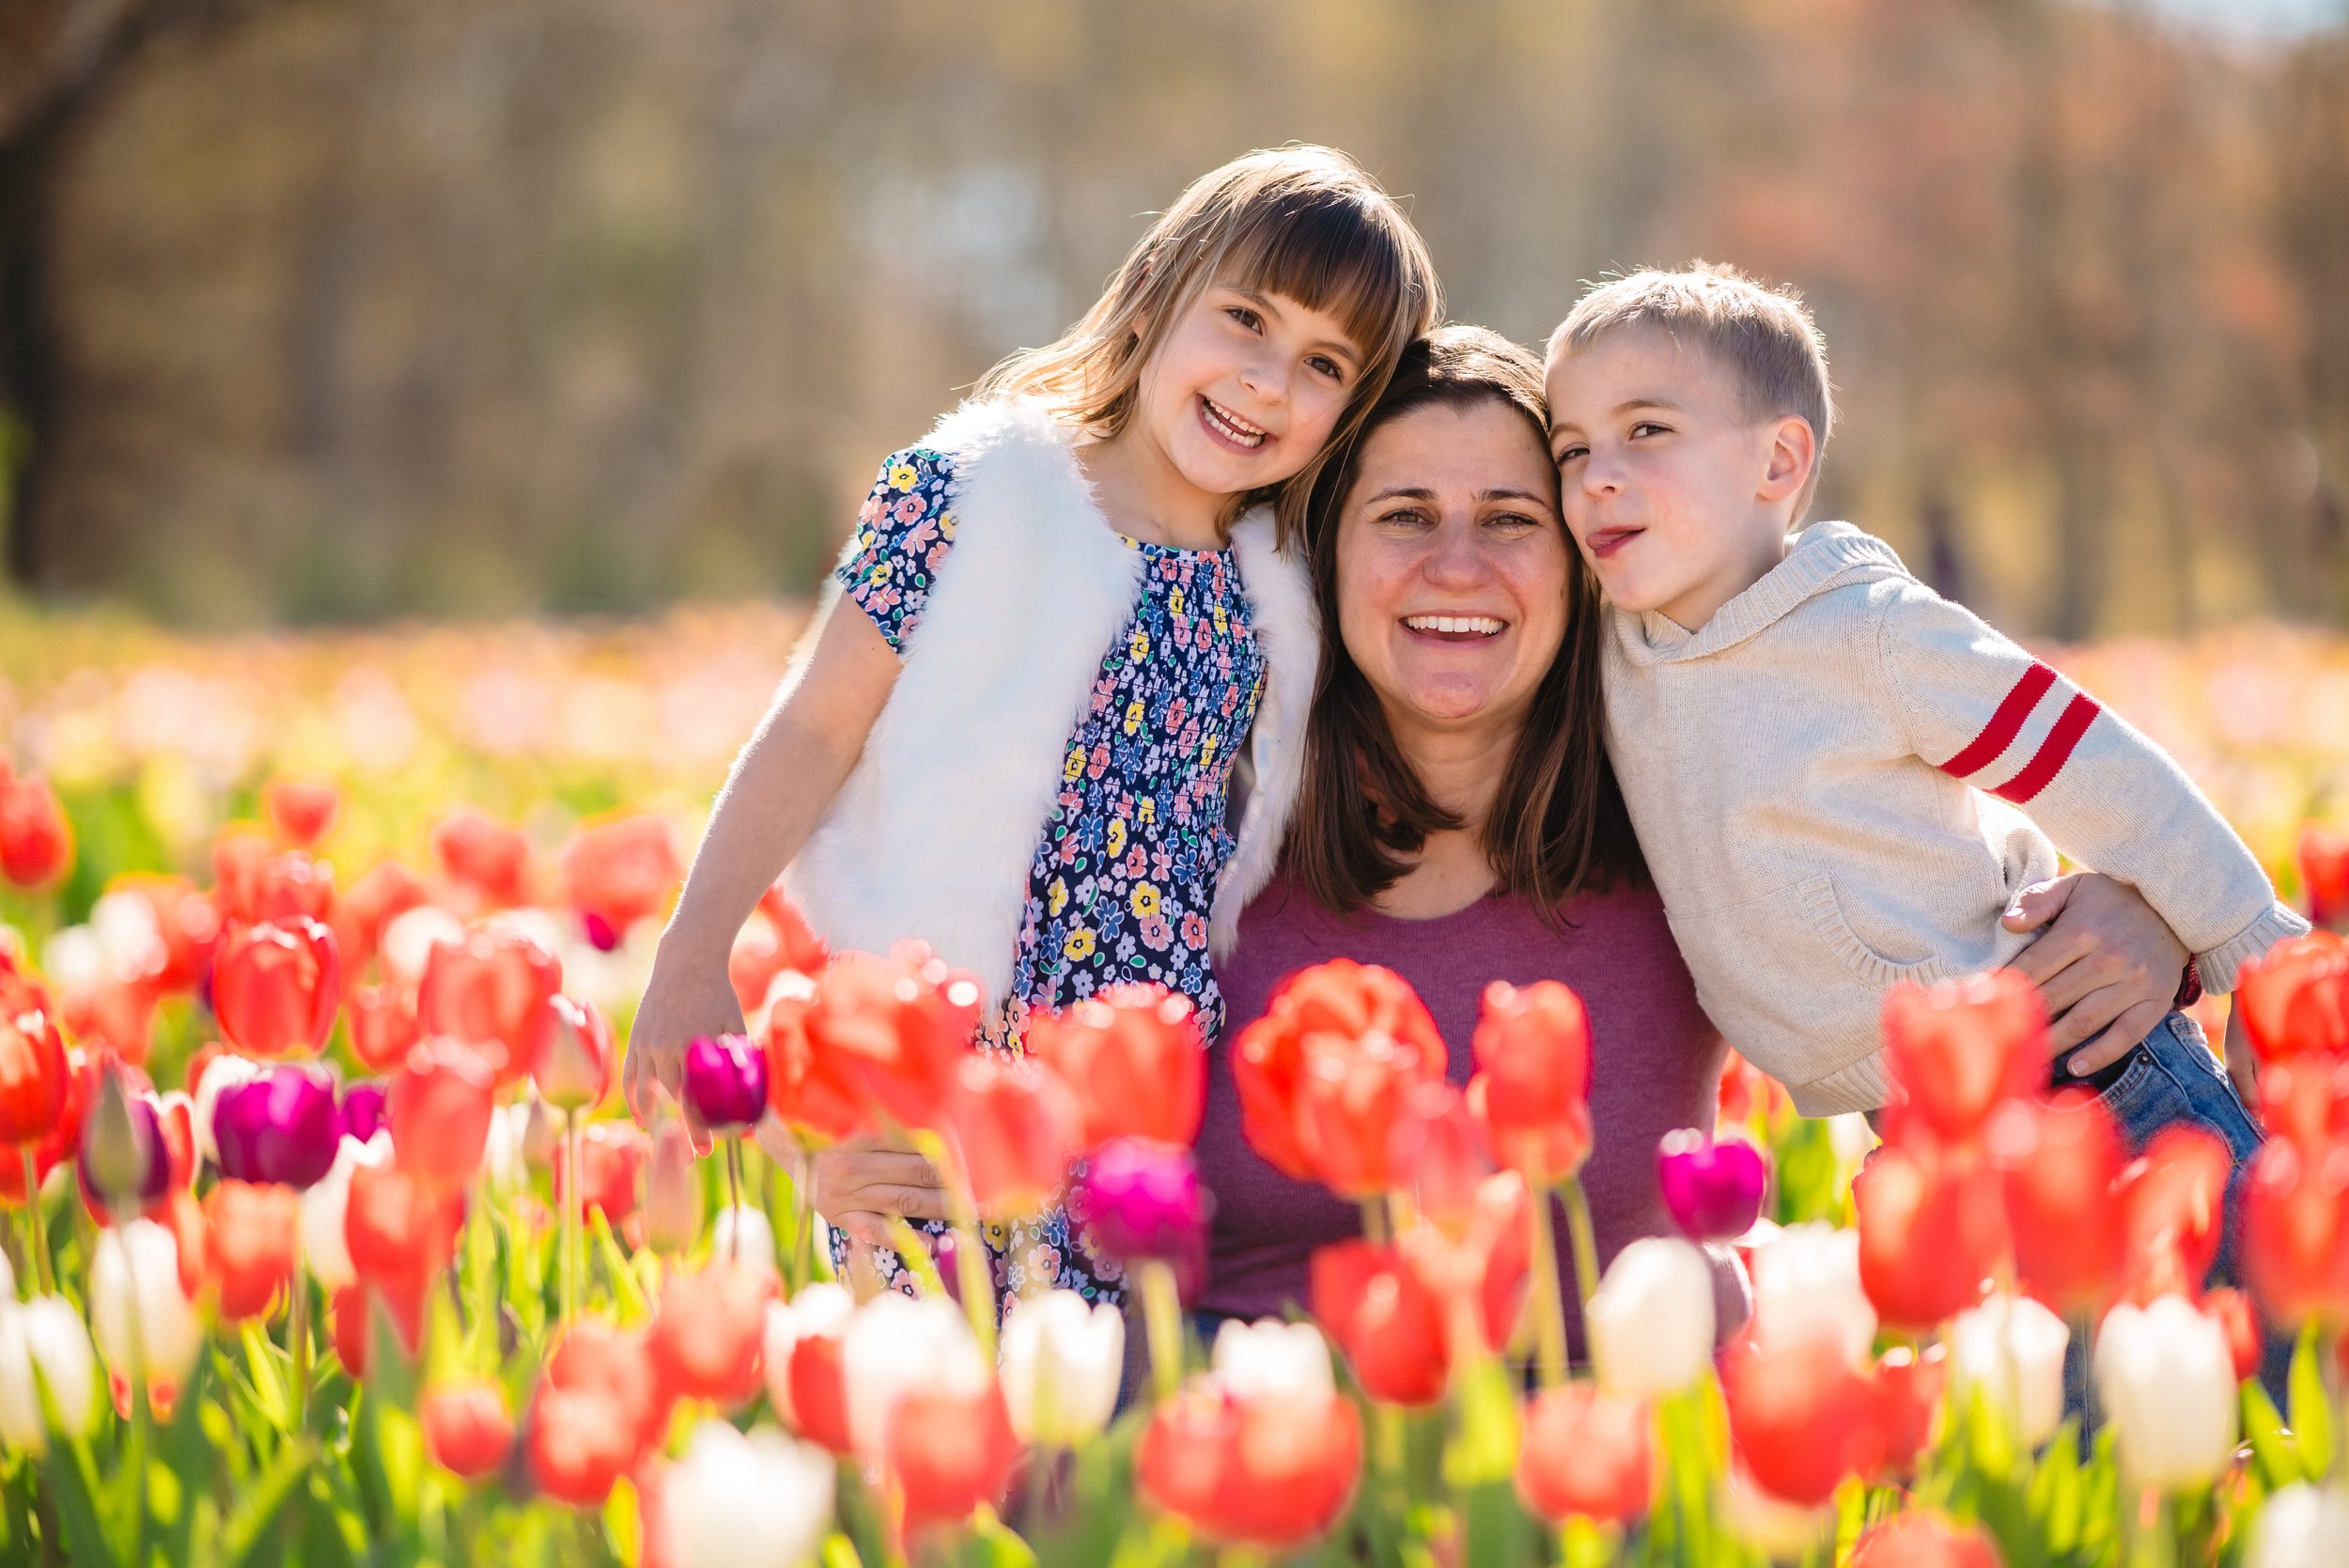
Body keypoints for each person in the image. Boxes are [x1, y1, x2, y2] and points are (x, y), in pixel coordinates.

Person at [1190, 325, 2199, 1343]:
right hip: (1252, 1452)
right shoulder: (1198, 851)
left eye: (1510, 519)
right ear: (1324, 552)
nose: (1457, 565)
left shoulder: (1684, 822)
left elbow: (1942, 902)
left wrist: (2148, 919)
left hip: (1636, 1467)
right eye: (1404, 515)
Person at [622, 146, 1440, 1311]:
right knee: (924, 1409)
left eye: (1321, 364)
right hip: (945, 1075)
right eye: (1245, 319)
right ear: (1160, 286)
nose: (1265, 382)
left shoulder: (1281, 587)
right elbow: (814, 727)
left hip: (1143, 1110)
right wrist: (695, 946)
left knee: (1091, 1438)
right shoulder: (971, 493)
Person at [1541, 264, 2299, 1156]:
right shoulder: (1614, 655)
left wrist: (2259, 951)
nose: (1597, 476)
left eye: (1646, 430)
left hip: (2082, 1071)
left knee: (2259, 1293)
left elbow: (2087, 759)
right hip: (1915, 1127)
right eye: (1572, 449)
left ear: (1778, 460)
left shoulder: (1870, 631)